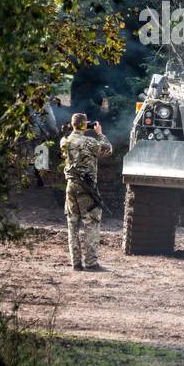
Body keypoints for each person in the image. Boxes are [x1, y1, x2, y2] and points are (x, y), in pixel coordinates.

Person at [61, 113, 112, 270]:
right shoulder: (89, 142)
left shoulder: (64, 141)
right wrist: (99, 134)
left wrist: (74, 128)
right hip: (86, 188)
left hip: (70, 186)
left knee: (72, 223)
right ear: (84, 125)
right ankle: (90, 263)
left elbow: (68, 141)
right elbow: (107, 150)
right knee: (90, 223)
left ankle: (75, 263)